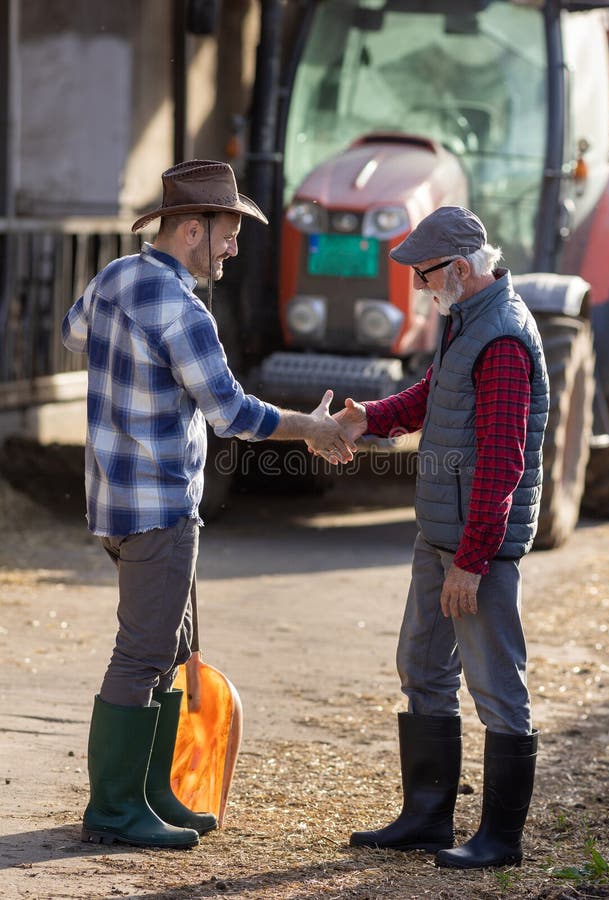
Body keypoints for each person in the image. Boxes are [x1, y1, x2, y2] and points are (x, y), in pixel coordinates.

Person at [62, 159, 356, 850]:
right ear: (191, 229)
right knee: (143, 655)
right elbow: (230, 413)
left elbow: (76, 336)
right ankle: (112, 808)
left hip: (113, 496)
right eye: (226, 232)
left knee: (172, 647)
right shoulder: (182, 308)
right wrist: (310, 429)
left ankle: (152, 790)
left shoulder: (114, 279)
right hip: (159, 505)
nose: (232, 248)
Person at [330, 206, 549, 869]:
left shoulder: (504, 338)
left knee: (496, 691)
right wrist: (366, 418)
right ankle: (426, 818)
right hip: (440, 538)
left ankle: (499, 842)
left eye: (424, 275)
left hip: (472, 553)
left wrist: (472, 560)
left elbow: (502, 461)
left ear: (457, 268)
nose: (420, 287)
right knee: (423, 671)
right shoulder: (465, 322)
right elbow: (433, 396)